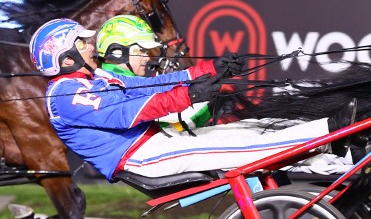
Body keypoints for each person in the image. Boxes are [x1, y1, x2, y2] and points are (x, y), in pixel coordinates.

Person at [30, 17, 348, 180]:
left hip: (156, 140)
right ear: (67, 57)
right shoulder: (64, 94)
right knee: (237, 147)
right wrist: (189, 95)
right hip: (140, 159)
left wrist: (209, 69)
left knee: (247, 129)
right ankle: (328, 132)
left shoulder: (96, 77)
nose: (91, 46)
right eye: (82, 43)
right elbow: (125, 113)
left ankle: (329, 141)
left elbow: (151, 87)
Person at [95, 14, 212, 132]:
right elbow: (167, 130)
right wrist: (209, 109)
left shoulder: (111, 81)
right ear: (117, 52)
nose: (147, 58)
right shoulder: (112, 88)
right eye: (141, 51)